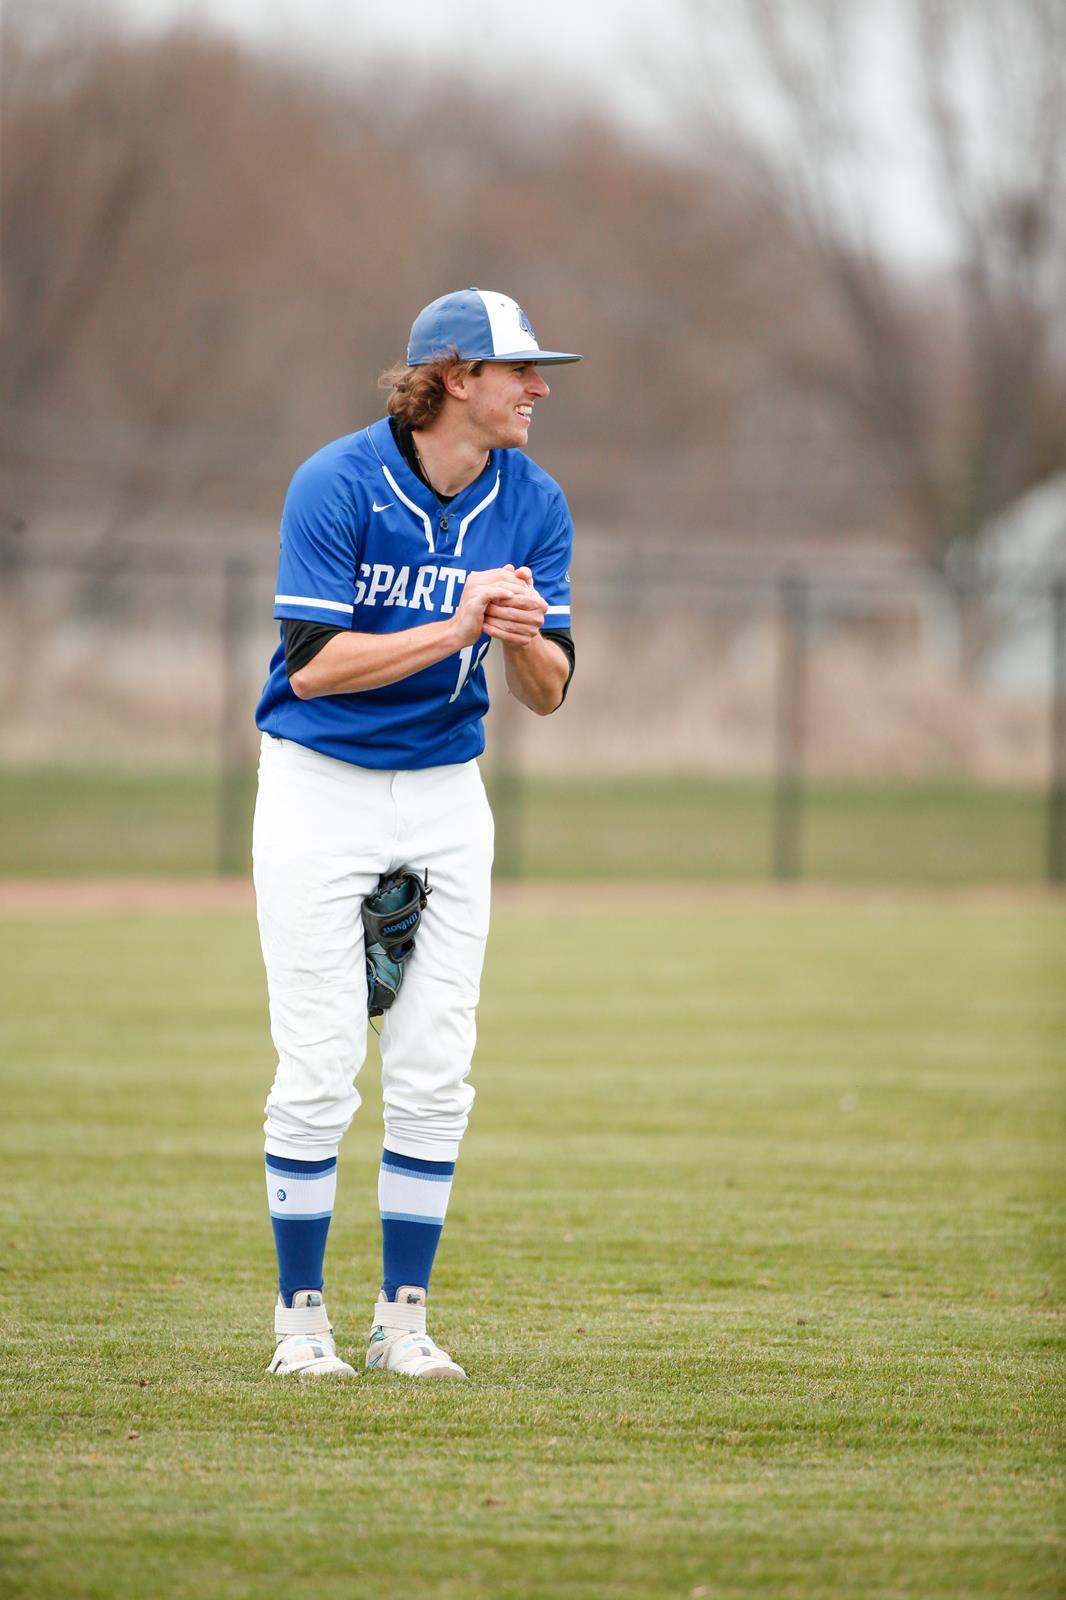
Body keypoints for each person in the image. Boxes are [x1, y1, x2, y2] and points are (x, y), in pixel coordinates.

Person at [252, 288, 581, 1379]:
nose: (537, 389)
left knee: (437, 1065)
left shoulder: (533, 500)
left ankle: (403, 1322)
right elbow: (312, 666)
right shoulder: (337, 480)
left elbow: (547, 690)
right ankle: (301, 1326)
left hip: (445, 790)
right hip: (320, 783)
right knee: (320, 1063)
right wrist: (456, 623)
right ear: (452, 377)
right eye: (518, 371)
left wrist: (519, 636)